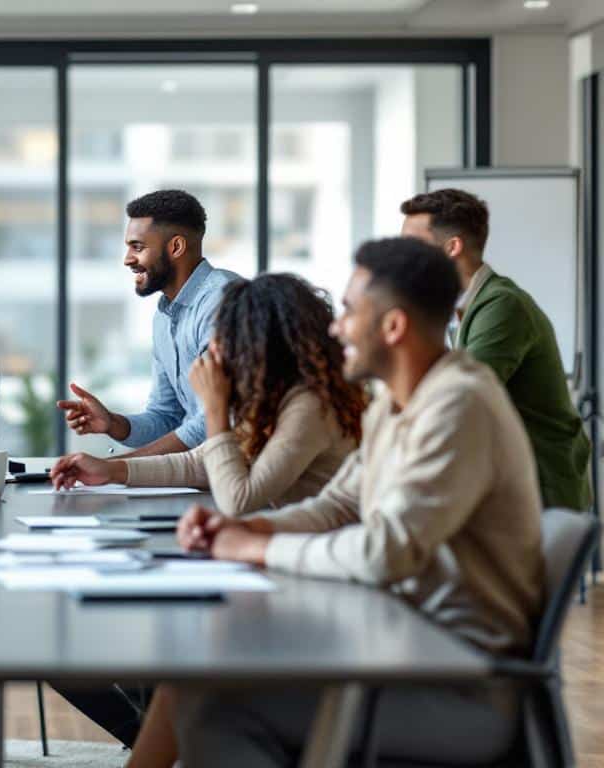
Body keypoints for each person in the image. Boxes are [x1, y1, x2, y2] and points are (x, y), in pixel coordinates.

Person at [157, 237, 544, 767]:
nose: (336, 328)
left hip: (456, 678)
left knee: (214, 707)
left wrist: (256, 549)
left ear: (393, 327)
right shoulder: (397, 406)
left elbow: (386, 551)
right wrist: (253, 534)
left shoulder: (459, 405)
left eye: (348, 311)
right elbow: (338, 506)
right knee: (199, 677)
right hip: (399, 642)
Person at [48, 273, 366, 753]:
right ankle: (173, 743)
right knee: (149, 643)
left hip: (317, 583)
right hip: (279, 562)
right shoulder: (280, 396)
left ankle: (174, 743)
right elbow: (202, 463)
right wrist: (111, 471)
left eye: (232, 340)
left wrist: (216, 410)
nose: (221, 353)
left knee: (176, 655)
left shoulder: (309, 404)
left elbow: (240, 496)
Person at [400, 188, 592, 512]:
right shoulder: (460, 309)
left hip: (542, 489)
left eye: (411, 244)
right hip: (512, 483)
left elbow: (457, 397)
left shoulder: (502, 305)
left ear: (452, 247)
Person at [57, 189, 241, 458]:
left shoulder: (223, 300)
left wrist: (116, 468)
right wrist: (113, 423)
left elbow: (213, 421)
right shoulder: (164, 315)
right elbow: (166, 417)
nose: (127, 259)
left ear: (176, 247)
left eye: (138, 247)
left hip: (238, 477)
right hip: (202, 476)